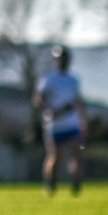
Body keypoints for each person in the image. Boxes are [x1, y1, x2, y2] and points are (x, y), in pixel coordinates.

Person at [35, 45, 86, 197]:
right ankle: (51, 185)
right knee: (56, 156)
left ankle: (76, 186)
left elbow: (77, 101)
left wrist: (83, 120)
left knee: (76, 154)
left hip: (72, 122)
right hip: (55, 124)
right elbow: (39, 99)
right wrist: (49, 111)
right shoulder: (48, 79)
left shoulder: (73, 80)